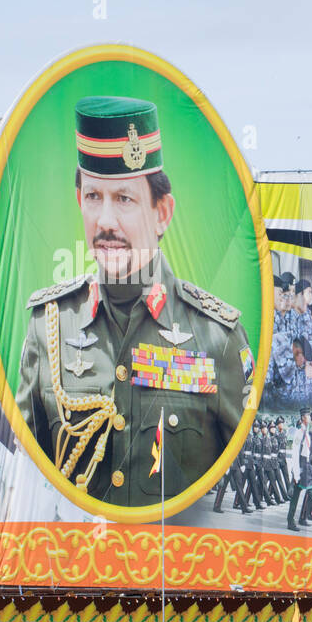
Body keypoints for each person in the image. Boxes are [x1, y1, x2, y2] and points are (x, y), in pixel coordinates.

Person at [16, 95, 252, 506]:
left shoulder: (217, 337)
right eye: (93, 197)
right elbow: (26, 477)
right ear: (79, 203)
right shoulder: (49, 325)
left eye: (124, 199)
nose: (105, 222)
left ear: (162, 213)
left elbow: (242, 486)